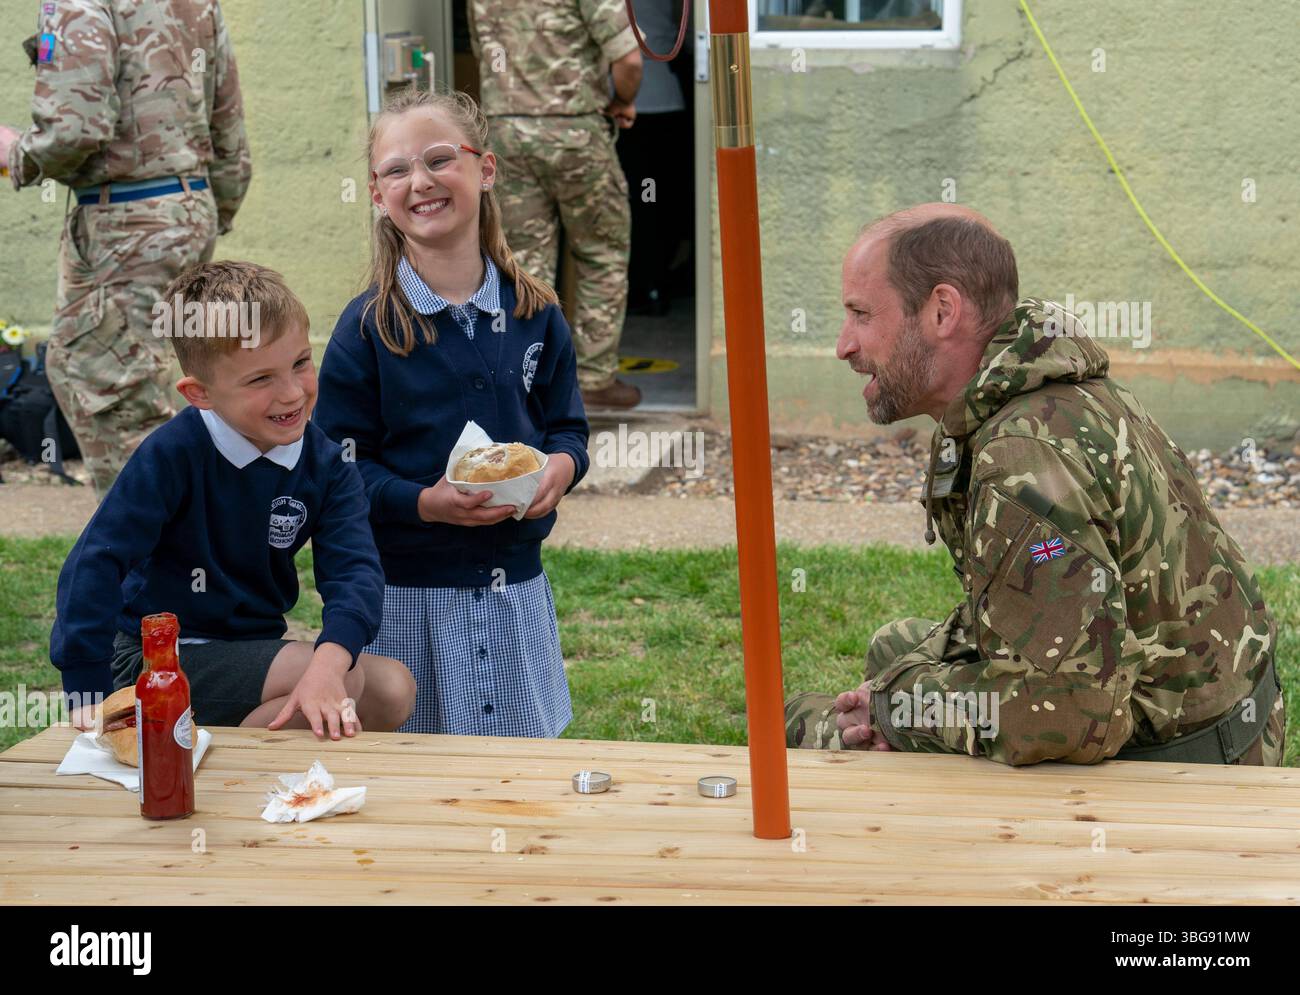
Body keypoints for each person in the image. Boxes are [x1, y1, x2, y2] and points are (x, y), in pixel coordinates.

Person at [785, 203, 1286, 766]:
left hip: (1184, 767)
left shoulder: (1023, 456)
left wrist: (900, 710)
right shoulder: (1047, 388)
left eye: (861, 314)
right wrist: (908, 680)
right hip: (1212, 711)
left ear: (942, 311)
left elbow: (1072, 717)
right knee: (893, 647)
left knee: (806, 724)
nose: (843, 344)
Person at [313, 88, 590, 737]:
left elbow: (568, 427)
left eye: (440, 159)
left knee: (519, 783)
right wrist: (423, 502)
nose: (421, 181)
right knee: (415, 791)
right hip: (405, 600)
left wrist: (560, 466)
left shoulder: (536, 312)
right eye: (397, 169)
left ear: (485, 169)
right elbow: (338, 469)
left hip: (513, 592)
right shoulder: (366, 330)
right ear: (378, 196)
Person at [50, 261, 416, 739]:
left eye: (301, 363)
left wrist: (329, 662)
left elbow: (355, 573)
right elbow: (96, 561)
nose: (292, 393)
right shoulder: (172, 454)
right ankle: (194, 752)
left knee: (392, 687)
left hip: (252, 648)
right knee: (350, 678)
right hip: (153, 658)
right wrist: (87, 689)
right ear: (199, 393)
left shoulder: (327, 462)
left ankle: (207, 751)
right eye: (260, 379)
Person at [0, 0, 251, 497]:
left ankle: (157, 555)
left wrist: (15, 155)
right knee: (135, 384)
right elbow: (229, 127)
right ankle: (185, 541)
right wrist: (204, 212)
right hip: (185, 206)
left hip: (126, 219)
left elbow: (74, 128)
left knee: (110, 395)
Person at [468, 0, 644, 409]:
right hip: (575, 129)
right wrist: (623, 100)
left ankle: (530, 382)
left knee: (522, 264)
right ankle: (596, 379)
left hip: (506, 132)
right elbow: (630, 61)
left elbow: (484, 51)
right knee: (602, 252)